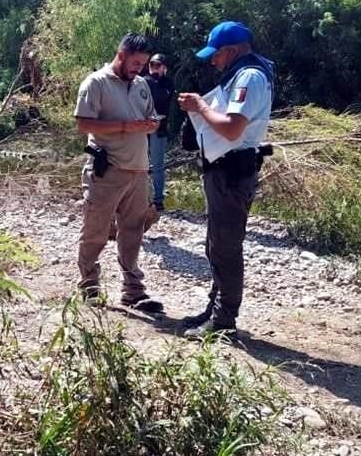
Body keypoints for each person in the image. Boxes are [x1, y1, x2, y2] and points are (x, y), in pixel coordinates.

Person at [177, 21, 274, 338]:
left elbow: (232, 129)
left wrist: (200, 107)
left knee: (226, 247)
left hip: (233, 173)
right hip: (224, 170)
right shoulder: (241, 75)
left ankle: (223, 321)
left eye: (216, 55)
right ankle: (215, 310)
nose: (213, 62)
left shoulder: (250, 77)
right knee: (216, 245)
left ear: (232, 50)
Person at [75, 33, 163, 313]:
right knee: (96, 231)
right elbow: (83, 123)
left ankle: (133, 290)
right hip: (107, 171)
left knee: (133, 231)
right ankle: (89, 286)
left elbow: (150, 117)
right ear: (121, 55)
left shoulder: (141, 85)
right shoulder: (96, 83)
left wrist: (151, 125)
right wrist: (126, 126)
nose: (140, 68)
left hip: (138, 171)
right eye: (136, 63)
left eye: (143, 64)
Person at [143, 53, 174, 211]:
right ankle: (141, 199)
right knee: (140, 164)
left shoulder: (167, 83)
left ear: (164, 68)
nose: (154, 68)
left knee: (157, 166)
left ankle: (158, 200)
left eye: (157, 65)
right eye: (152, 65)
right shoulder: (143, 81)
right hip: (142, 128)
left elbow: (161, 98)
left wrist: (155, 80)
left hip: (159, 129)